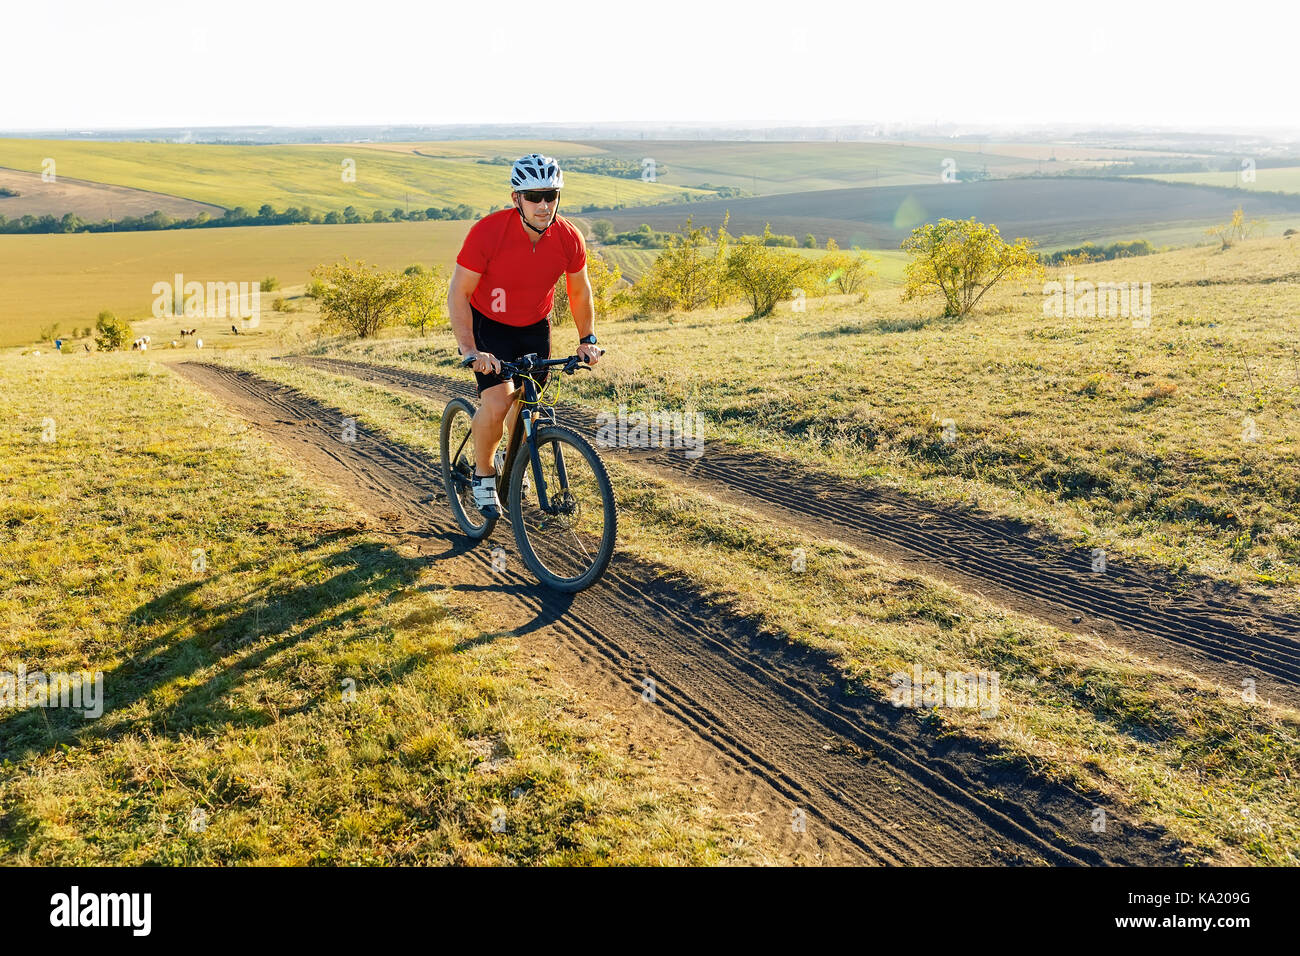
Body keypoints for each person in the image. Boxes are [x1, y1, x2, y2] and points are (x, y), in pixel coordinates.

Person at [447, 153, 601, 515]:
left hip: (534, 328)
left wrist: (588, 339)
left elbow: (579, 291)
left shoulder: (568, 237)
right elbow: (459, 293)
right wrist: (470, 349)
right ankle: (483, 475)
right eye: (534, 196)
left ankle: (512, 461)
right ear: (516, 198)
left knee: (528, 406)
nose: (544, 205)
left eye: (551, 195)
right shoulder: (488, 233)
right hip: (490, 327)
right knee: (498, 403)